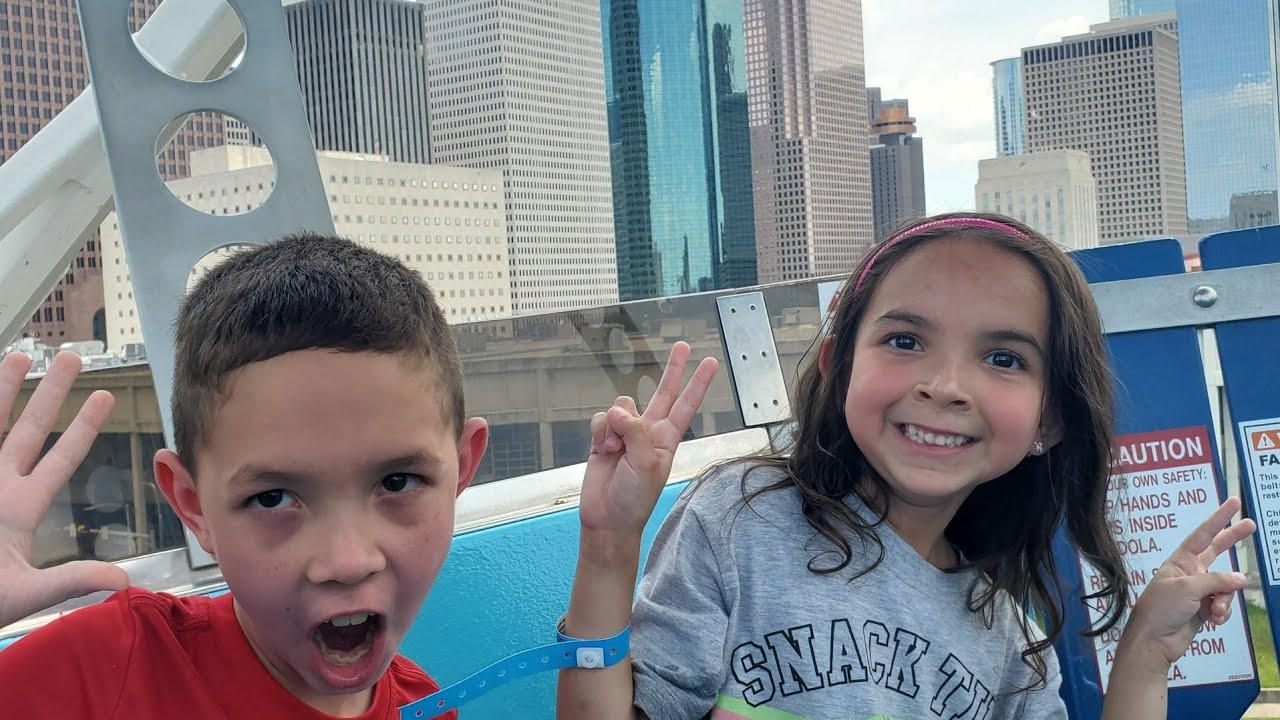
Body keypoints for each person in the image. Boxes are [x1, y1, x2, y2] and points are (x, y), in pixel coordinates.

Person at [557, 213, 1257, 719]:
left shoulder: (1007, 640)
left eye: (1003, 358)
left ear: (1049, 421)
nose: (946, 384)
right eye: (903, 339)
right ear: (839, 367)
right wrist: (610, 546)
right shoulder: (737, 516)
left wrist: (1146, 654)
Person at [0, 232, 717, 719]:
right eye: (273, 497)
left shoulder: (423, 704)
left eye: (398, 483)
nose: (346, 560)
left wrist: (611, 544)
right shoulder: (106, 671)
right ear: (193, 506)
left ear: (462, 467)